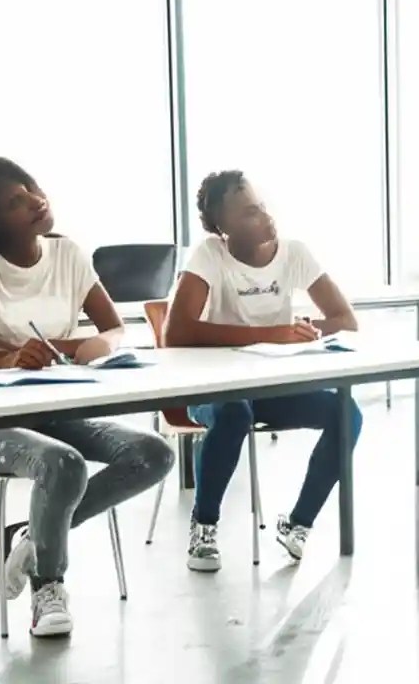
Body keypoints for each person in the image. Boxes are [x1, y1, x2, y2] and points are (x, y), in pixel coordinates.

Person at [0, 155, 174, 637]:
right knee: (62, 464)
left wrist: (92, 346)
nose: (34, 200)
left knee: (152, 453)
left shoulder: (67, 255)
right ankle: (48, 585)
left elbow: (112, 328)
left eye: (30, 188)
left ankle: (25, 537)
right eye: (14, 201)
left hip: (56, 410)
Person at [164, 170, 363, 571]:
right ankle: (204, 526)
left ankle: (298, 524)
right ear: (223, 227)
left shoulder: (294, 253)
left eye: (262, 206)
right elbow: (176, 332)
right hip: (215, 388)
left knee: (347, 414)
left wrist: (305, 331)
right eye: (249, 213)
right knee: (234, 412)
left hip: (273, 387)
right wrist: (271, 334)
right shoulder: (209, 255)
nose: (265, 217)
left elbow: (345, 320)